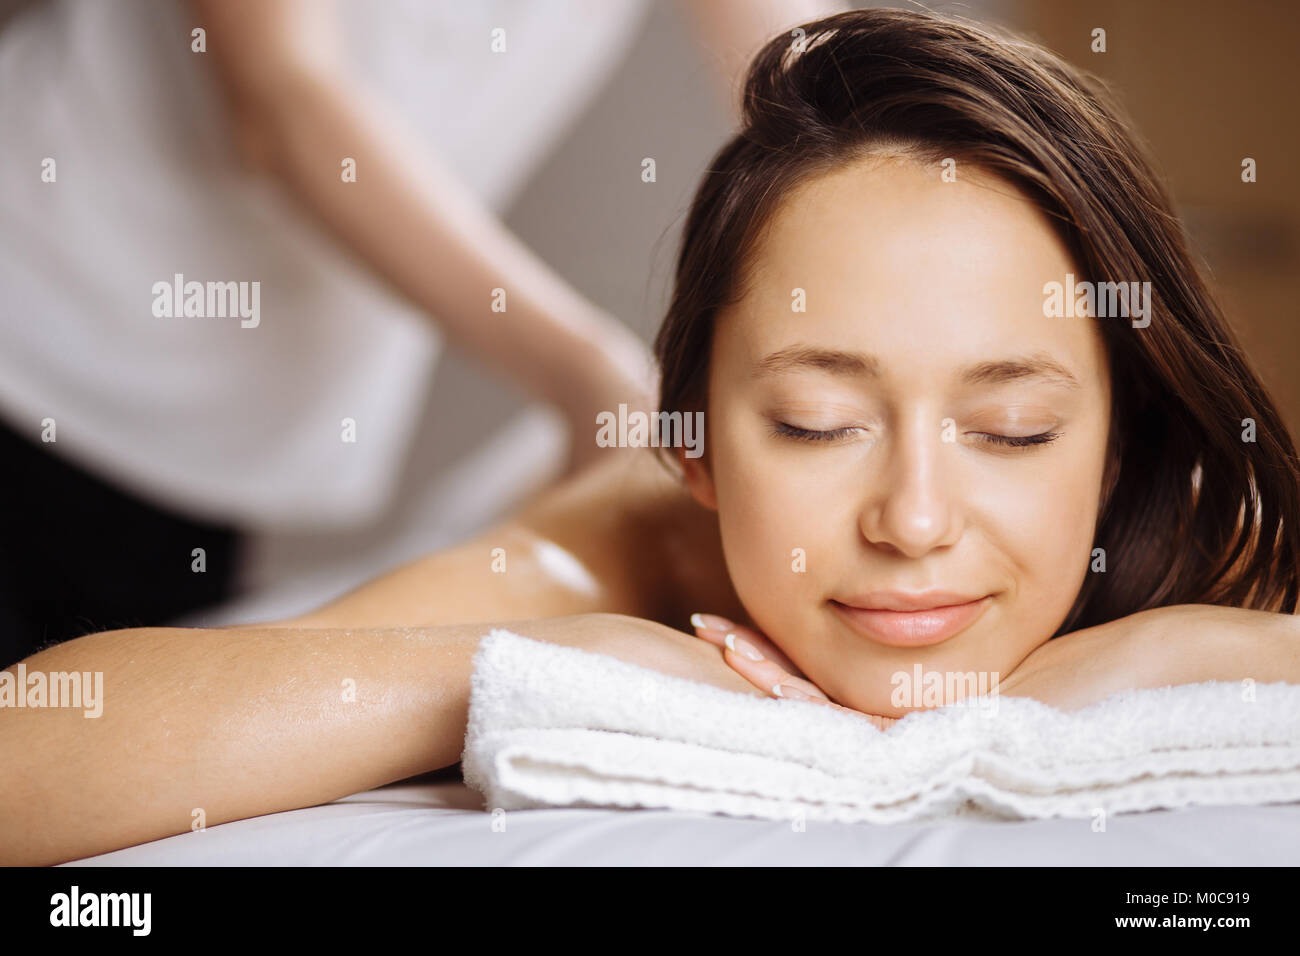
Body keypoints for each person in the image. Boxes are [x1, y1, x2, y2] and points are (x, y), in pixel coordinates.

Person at [4, 7, 1298, 867]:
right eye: (818, 422)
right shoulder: (625, 542)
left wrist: (1163, 650)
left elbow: (811, 60)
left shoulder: (1178, 525)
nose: (913, 520)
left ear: (1118, 445)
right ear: (693, 445)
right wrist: (542, 668)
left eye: (1011, 430)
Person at [0, 0, 846, 668]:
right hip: (36, 317)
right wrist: (585, 373)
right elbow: (284, 95)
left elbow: (807, 94)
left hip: (217, 444)